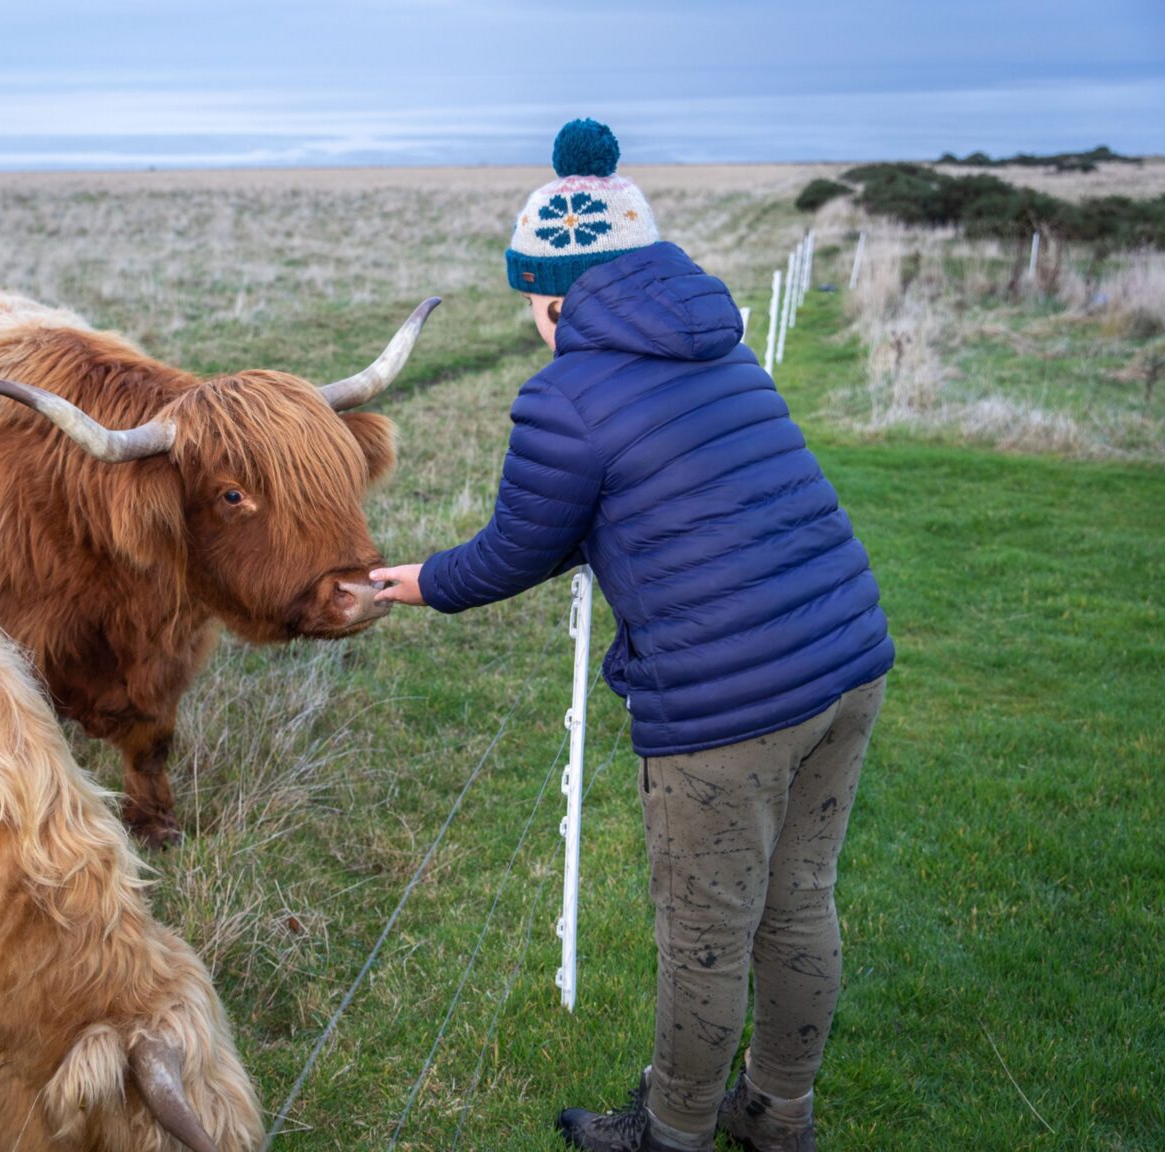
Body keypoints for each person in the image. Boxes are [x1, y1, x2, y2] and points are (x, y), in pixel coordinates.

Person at [370, 119, 893, 1152]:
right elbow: (654, 497)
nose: (529, 317)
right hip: (845, 659)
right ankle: (778, 1116)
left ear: (553, 294)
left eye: (528, 295)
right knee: (797, 907)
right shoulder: (717, 346)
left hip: (726, 707)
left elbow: (513, 552)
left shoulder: (565, 395)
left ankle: (674, 1132)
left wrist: (412, 584)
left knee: (703, 938)